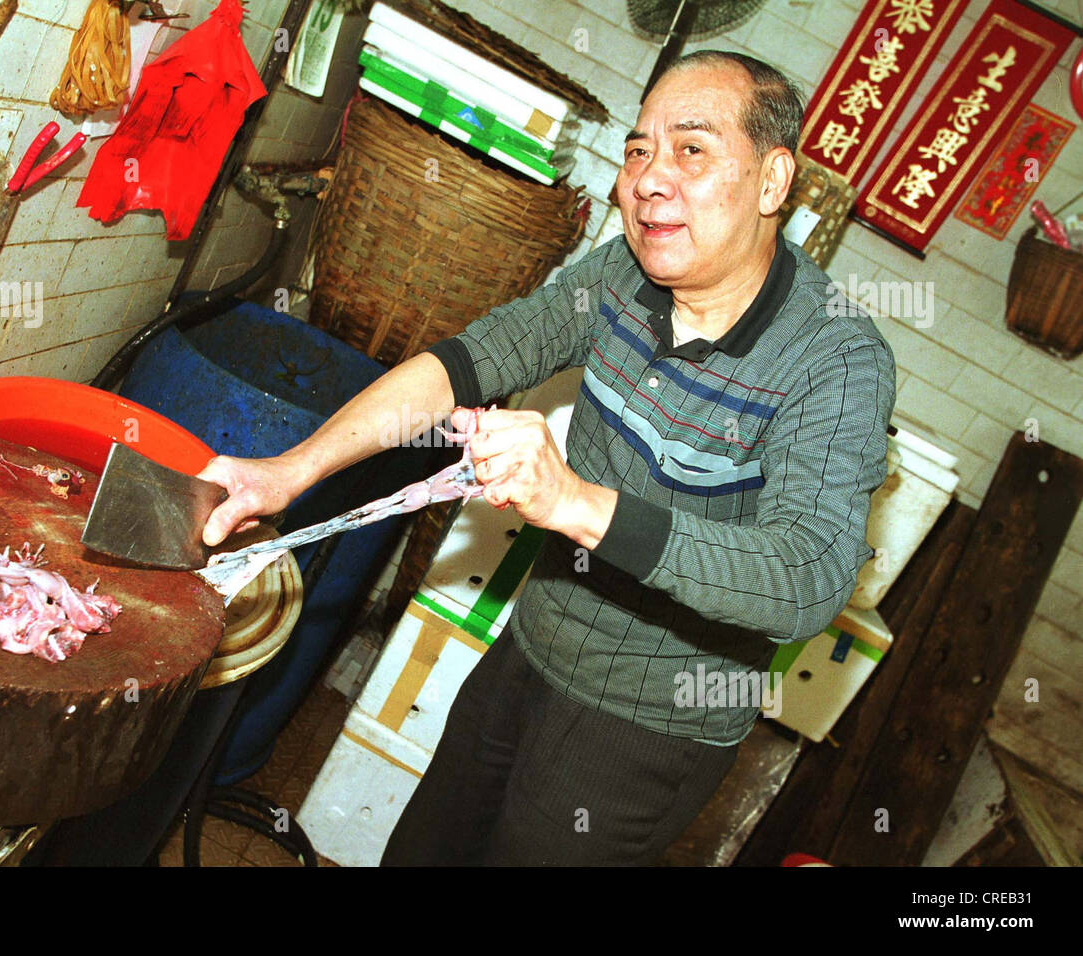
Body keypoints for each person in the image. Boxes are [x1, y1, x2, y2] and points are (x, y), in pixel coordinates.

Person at [199, 50, 896, 865]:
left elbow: (806, 578)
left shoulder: (836, 359)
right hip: (534, 646)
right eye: (638, 151)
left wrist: (573, 503)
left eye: (691, 150)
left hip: (648, 723)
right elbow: (474, 360)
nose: (649, 180)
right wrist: (289, 471)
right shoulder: (622, 274)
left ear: (773, 181)